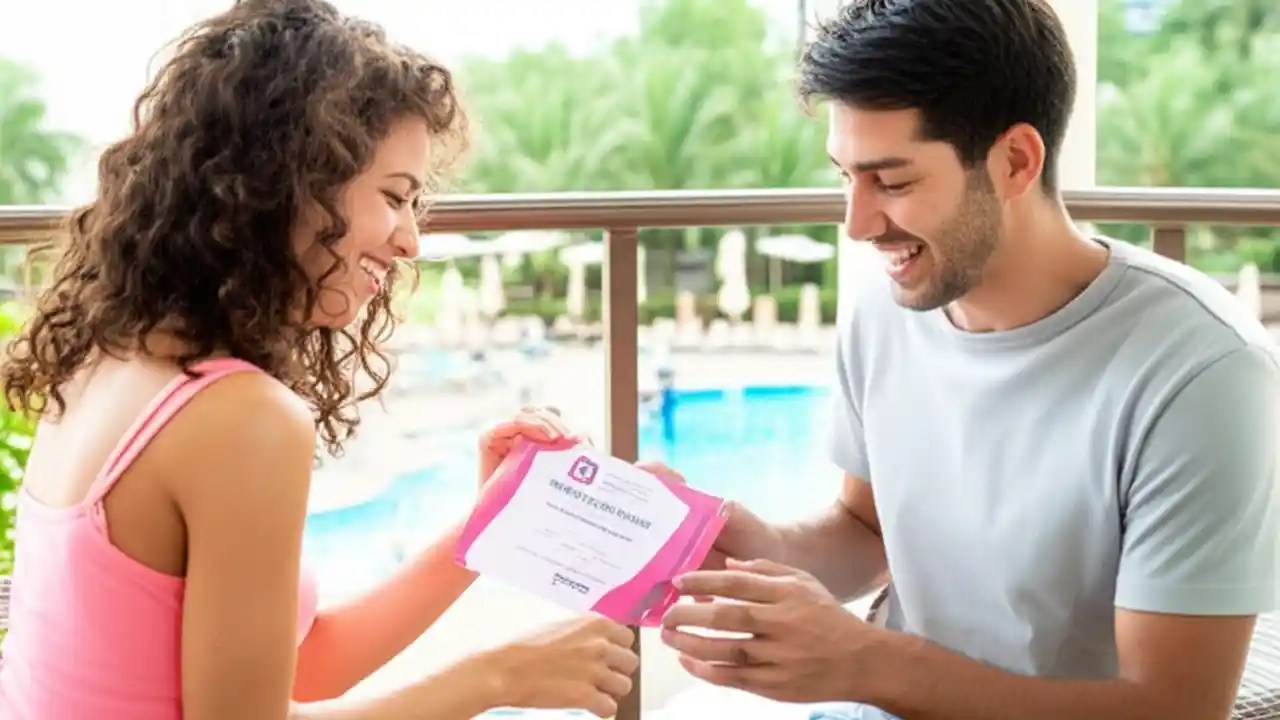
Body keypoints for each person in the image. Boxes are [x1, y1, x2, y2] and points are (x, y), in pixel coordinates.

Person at [0, 2, 637, 719]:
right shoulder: (238, 417)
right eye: (395, 197)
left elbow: (304, 665)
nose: (409, 243)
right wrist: (501, 679)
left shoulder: (107, 360)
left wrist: (484, 526)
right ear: (290, 178)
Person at [657, 2, 1280, 719]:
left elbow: (1174, 709)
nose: (857, 224)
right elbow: (869, 531)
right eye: (845, 176)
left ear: (1015, 161)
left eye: (892, 181)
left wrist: (871, 664)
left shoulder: (1200, 372)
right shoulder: (885, 309)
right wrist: (754, 543)